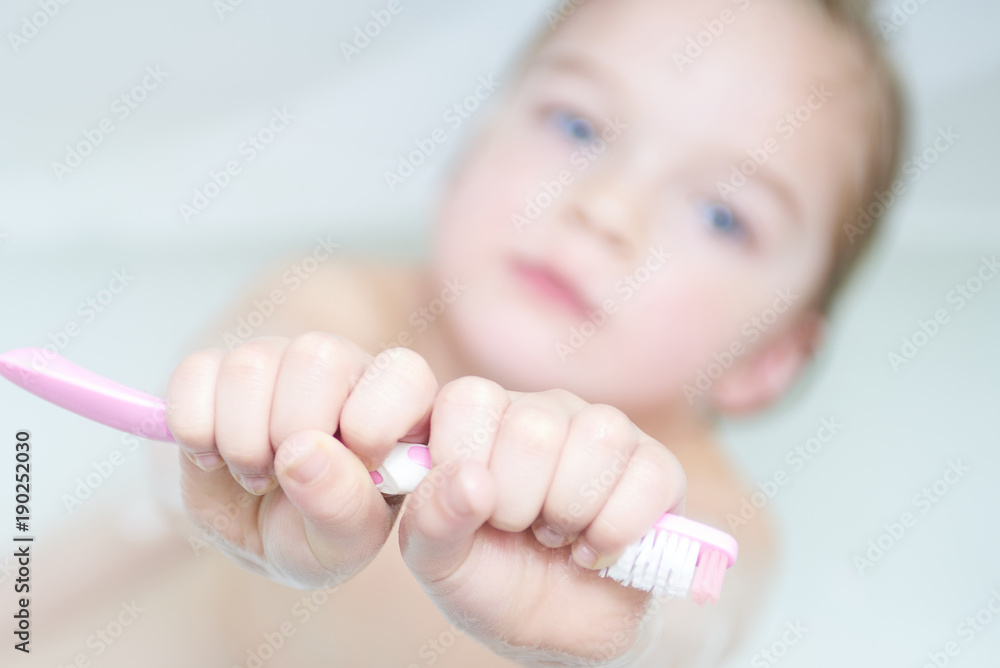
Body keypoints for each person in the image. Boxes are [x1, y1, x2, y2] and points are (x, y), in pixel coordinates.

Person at [37, 0, 905, 665]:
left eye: (721, 215)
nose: (604, 210)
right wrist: (255, 411)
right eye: (576, 125)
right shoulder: (340, 303)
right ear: (466, 147)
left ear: (767, 360)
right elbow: (194, 429)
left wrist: (618, 632)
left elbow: (699, 615)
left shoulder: (708, 512)